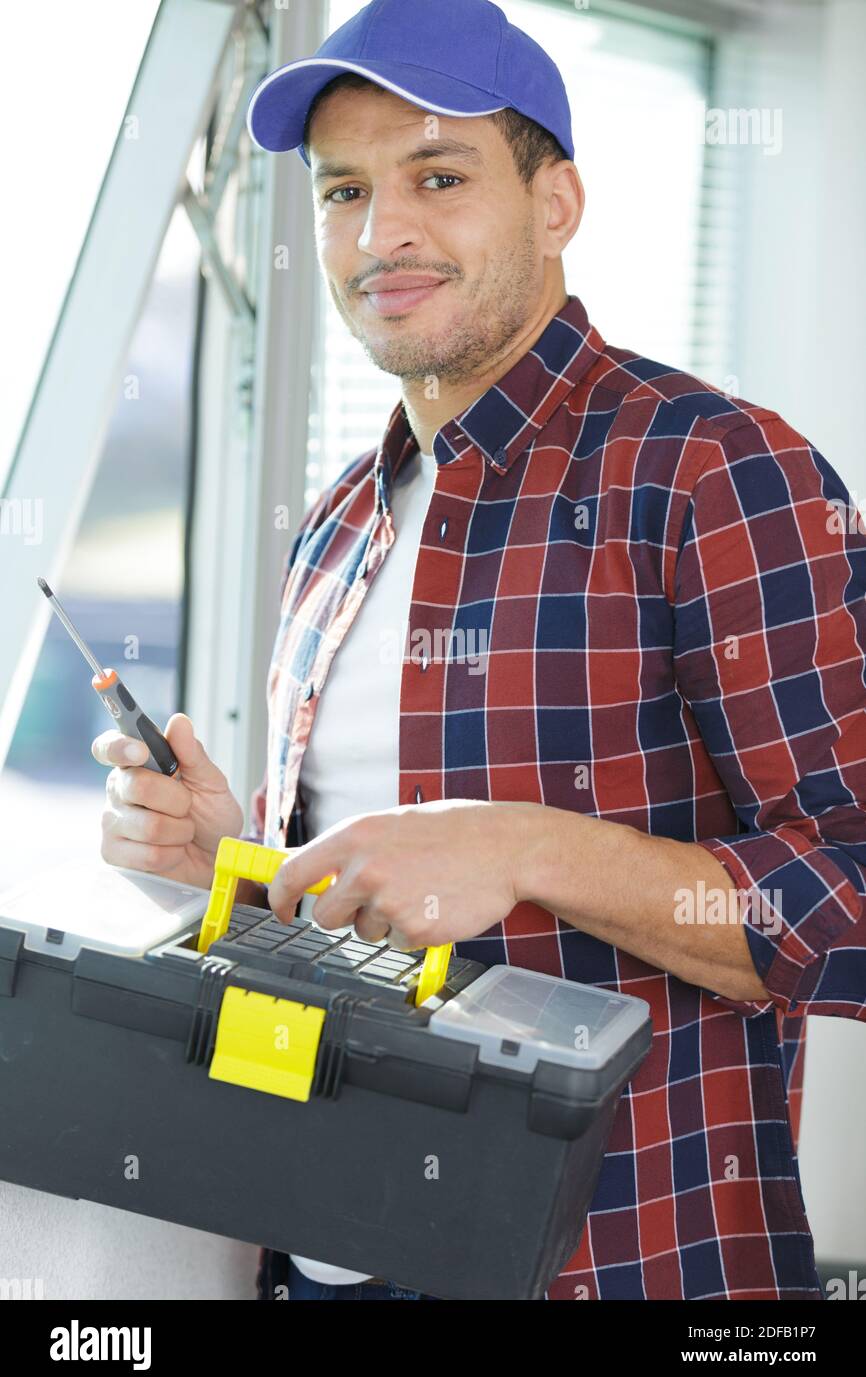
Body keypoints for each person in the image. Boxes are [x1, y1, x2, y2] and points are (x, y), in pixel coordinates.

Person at [94, 0, 866, 1301]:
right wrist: (226, 870)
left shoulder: (714, 471)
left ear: (555, 199)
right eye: (343, 190)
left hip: (616, 1260)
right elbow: (381, 916)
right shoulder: (336, 525)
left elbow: (849, 891)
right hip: (322, 1250)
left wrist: (520, 847)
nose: (378, 233)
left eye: (436, 177)